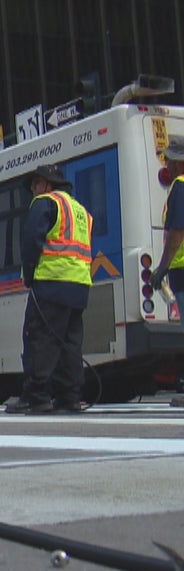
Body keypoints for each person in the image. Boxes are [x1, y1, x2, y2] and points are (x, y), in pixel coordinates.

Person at [5, 164, 93, 414]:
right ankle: (69, 398)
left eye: (35, 184)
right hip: (79, 286)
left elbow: (32, 241)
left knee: (39, 338)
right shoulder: (80, 211)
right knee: (69, 344)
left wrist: (30, 275)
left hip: (51, 283)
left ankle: (37, 396)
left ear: (47, 184)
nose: (33, 190)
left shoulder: (45, 202)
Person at [148, 135, 184, 406]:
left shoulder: (180, 187)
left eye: (169, 159)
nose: (166, 164)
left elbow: (177, 231)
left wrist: (162, 267)